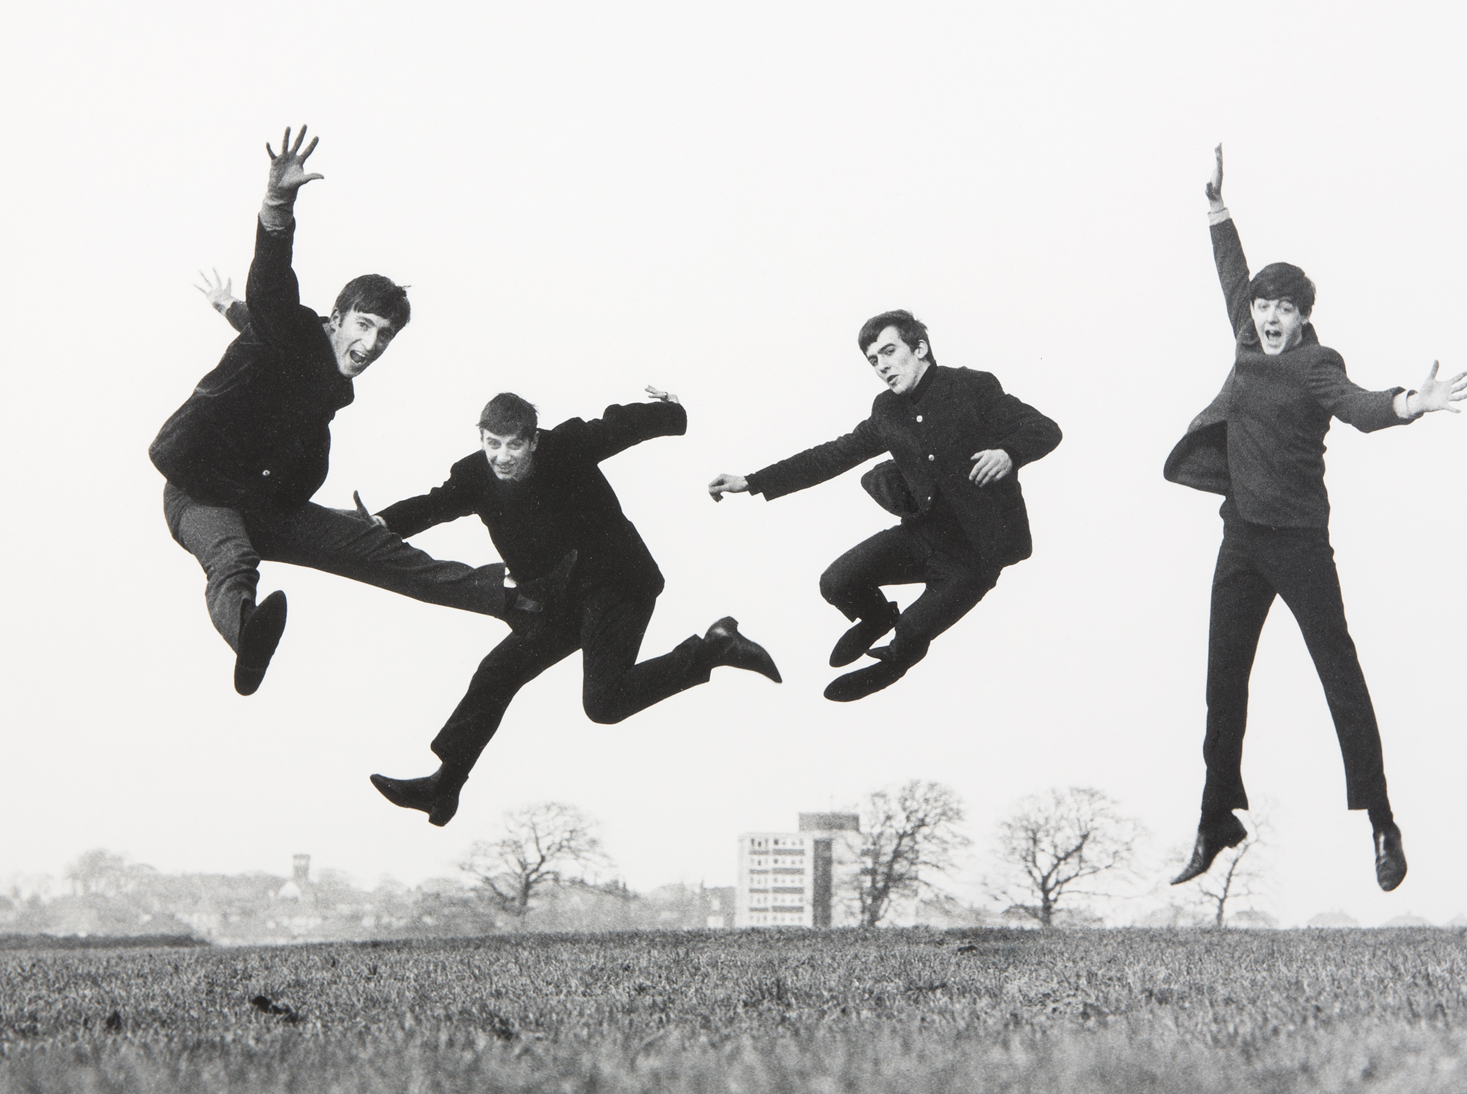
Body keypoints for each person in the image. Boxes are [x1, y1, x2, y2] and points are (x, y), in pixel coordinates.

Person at [1164, 145, 1467, 894]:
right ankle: (1216, 817)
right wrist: (1215, 205)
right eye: (1265, 306)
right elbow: (1232, 273)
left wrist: (1409, 403)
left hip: (1299, 544)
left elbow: (1362, 408)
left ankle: (1382, 821)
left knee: (1340, 676)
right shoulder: (1245, 332)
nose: (1269, 316)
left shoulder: (1314, 364)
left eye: (1284, 309)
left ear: (1304, 319)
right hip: (1242, 537)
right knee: (1222, 682)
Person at [151, 127, 533, 697]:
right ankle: (247, 635)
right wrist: (278, 205)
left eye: (385, 336)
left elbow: (257, 332)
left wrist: (228, 308)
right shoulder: (290, 332)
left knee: (376, 547)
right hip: (196, 491)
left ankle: (509, 597)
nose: (373, 345)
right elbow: (273, 297)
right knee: (232, 559)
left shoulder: (326, 385)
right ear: (336, 318)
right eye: (364, 326)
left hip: (262, 502)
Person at [365, 389, 782, 827]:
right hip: (558, 599)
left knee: (604, 705)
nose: (502, 457)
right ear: (481, 439)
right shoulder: (473, 475)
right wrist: (384, 522)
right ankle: (443, 788)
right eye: (492, 444)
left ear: (533, 440)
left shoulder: (567, 447)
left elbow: (624, 425)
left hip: (618, 582)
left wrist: (672, 411)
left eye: (513, 445)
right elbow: (435, 505)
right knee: (497, 672)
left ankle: (713, 648)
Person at [708, 312, 1060, 702]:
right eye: (873, 360)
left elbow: (1044, 427)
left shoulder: (971, 386)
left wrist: (1009, 452)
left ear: (920, 348)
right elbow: (833, 455)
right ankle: (876, 615)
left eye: (889, 352)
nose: (882, 366)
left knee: (910, 632)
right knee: (835, 583)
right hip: (921, 537)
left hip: (975, 557)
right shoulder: (887, 410)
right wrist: (753, 481)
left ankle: (892, 664)